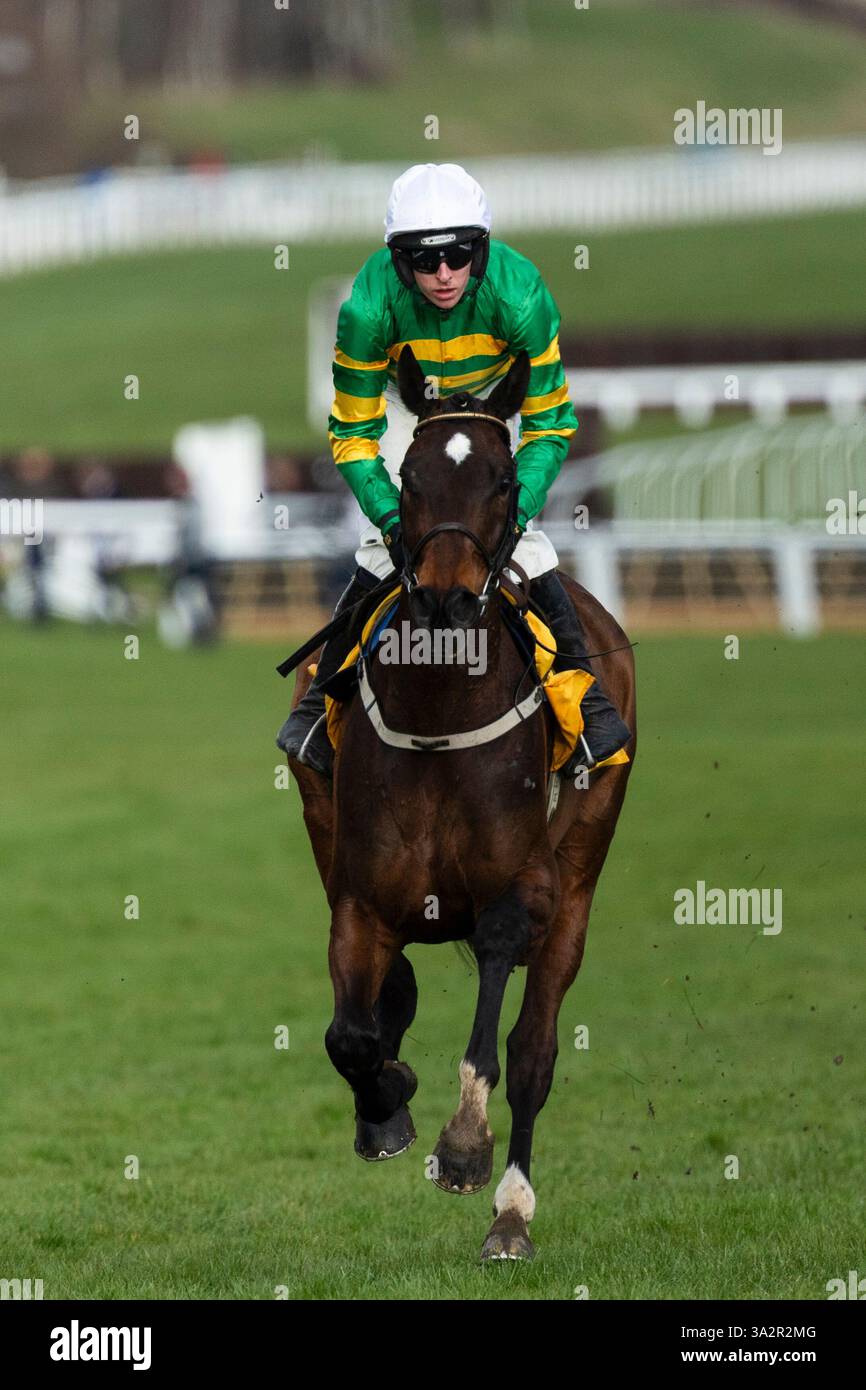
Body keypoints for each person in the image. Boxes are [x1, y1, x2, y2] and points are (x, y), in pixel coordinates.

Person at [278, 163, 630, 776]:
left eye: (459, 255)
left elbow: (549, 425)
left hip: (496, 399)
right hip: (403, 401)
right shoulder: (366, 310)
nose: (443, 274)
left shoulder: (521, 296)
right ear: (398, 260)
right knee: (384, 549)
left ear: (481, 248)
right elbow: (354, 435)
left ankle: (585, 700)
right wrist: (392, 518)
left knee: (525, 544)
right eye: (423, 259)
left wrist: (514, 512)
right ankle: (320, 703)